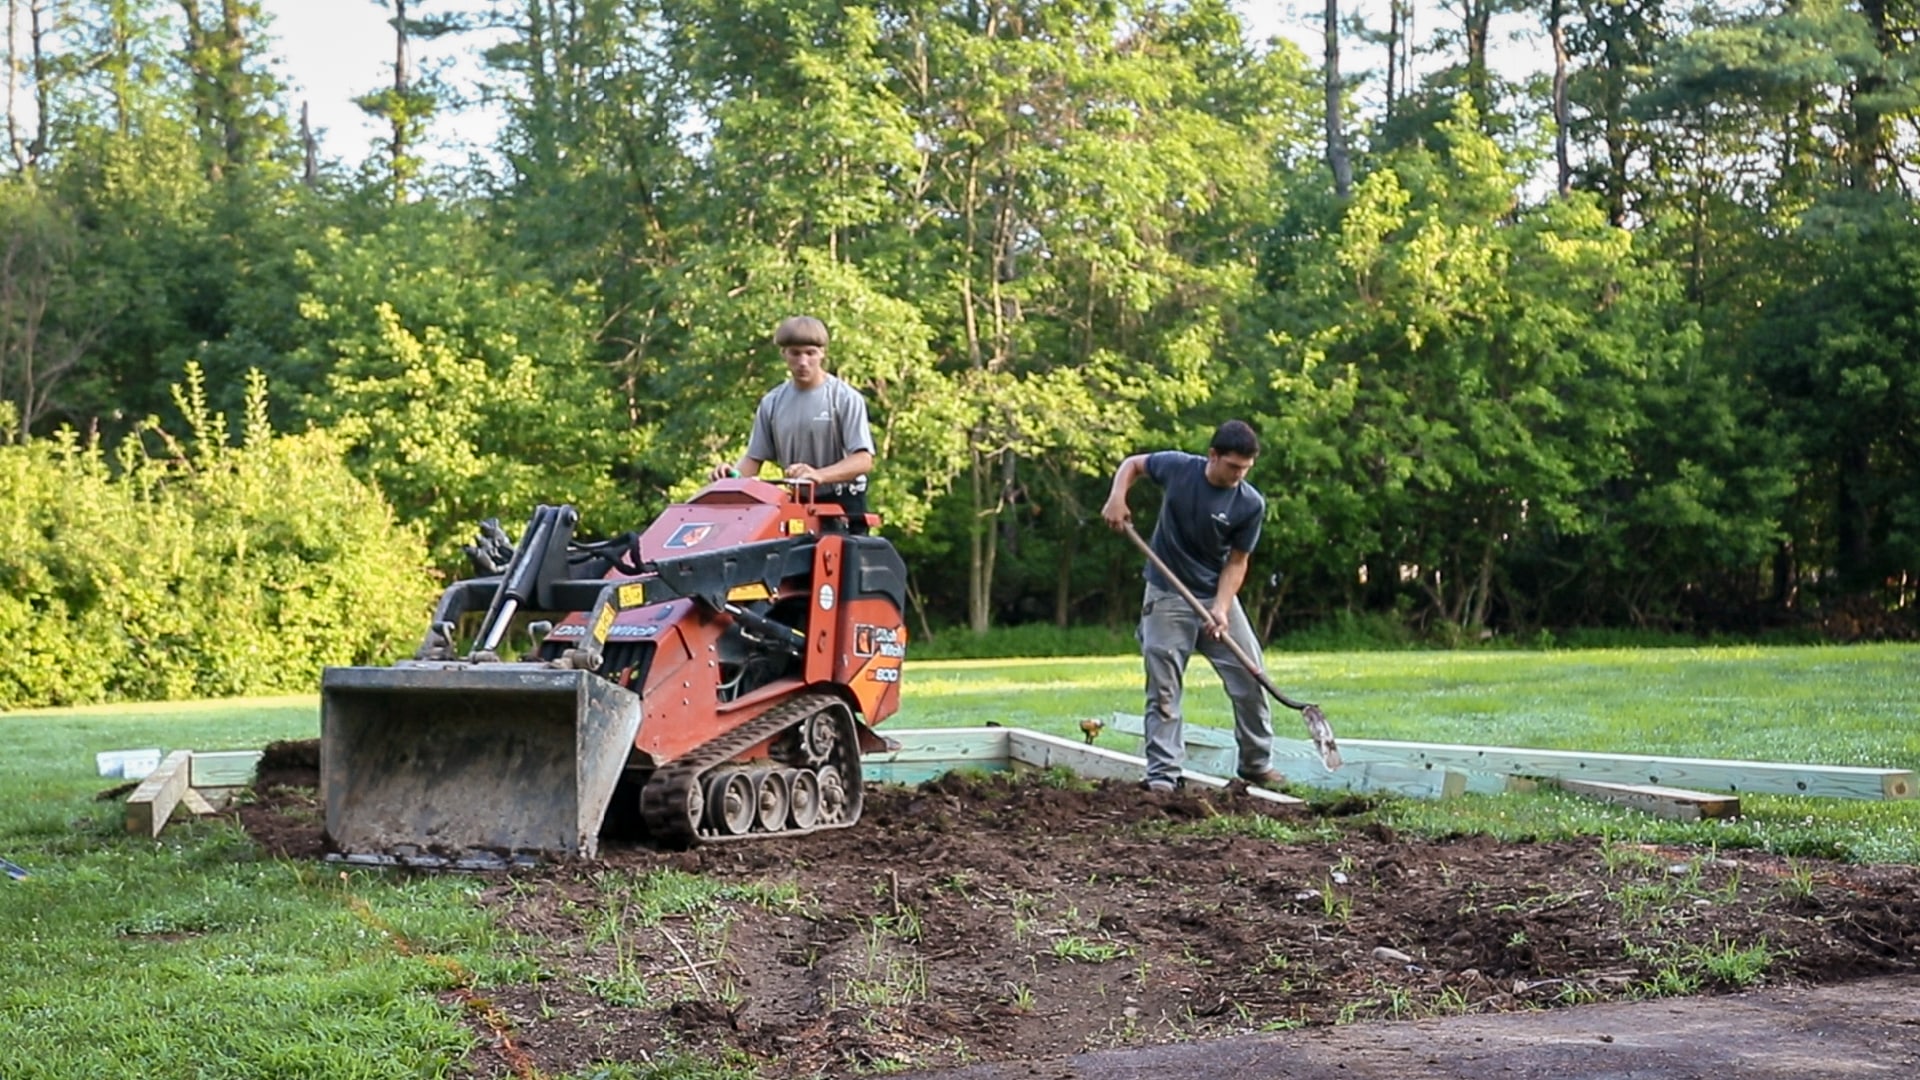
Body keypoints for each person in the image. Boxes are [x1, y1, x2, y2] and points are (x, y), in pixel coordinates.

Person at [1101, 419, 1283, 793]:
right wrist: (1117, 496)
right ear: (1212, 456)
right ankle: (1163, 776)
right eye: (1232, 466)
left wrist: (1220, 607)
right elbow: (1134, 464)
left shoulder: (1249, 503)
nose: (1238, 475)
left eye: (1245, 469)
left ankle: (1256, 763)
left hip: (1214, 595)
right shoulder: (1179, 468)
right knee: (1164, 689)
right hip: (1166, 595)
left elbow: (1237, 562)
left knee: (1251, 678)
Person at [709, 315, 876, 530]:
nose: (803, 362)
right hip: (797, 506)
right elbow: (754, 459)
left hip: (842, 507)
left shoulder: (844, 398)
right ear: (784, 354)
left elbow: (863, 460)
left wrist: (818, 475)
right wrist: (730, 477)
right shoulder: (773, 402)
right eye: (795, 353)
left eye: (810, 353)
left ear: (822, 353)